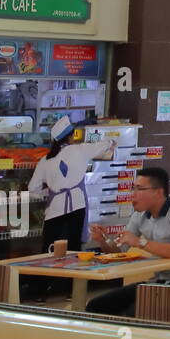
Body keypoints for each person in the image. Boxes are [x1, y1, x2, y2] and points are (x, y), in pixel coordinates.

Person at [86, 167, 170, 316]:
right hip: (158, 282)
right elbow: (119, 253)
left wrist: (140, 242)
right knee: (96, 306)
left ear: (158, 192)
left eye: (139, 189)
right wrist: (103, 241)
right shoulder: (141, 214)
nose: (133, 194)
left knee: (132, 315)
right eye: (133, 189)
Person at [25, 117, 116, 301]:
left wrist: (48, 193)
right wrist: (112, 141)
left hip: (55, 209)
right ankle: (69, 290)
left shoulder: (45, 160)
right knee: (73, 248)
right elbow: (106, 143)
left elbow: (32, 189)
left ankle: (42, 292)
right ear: (70, 137)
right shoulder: (79, 150)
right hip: (77, 205)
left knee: (49, 250)